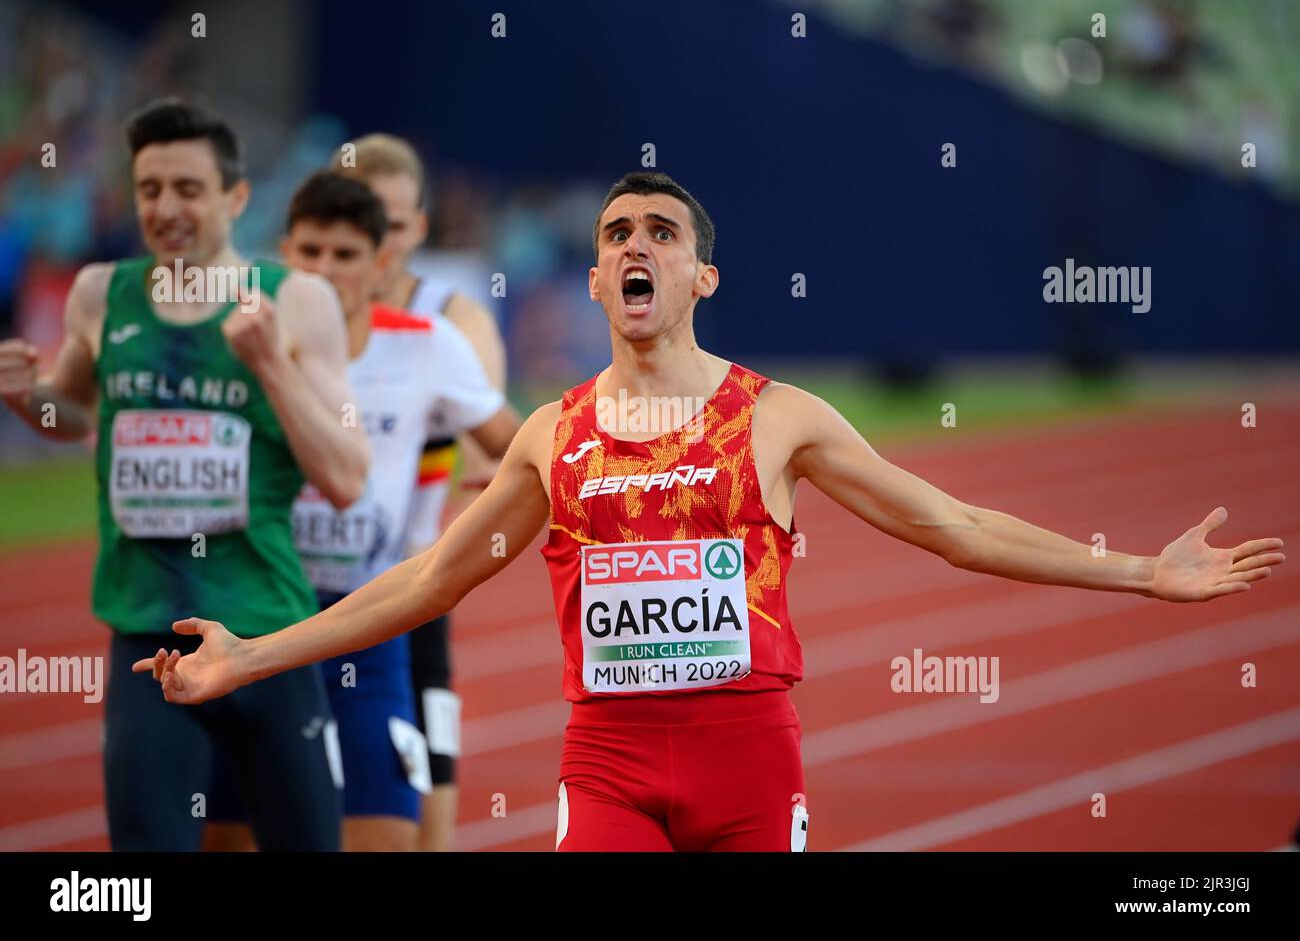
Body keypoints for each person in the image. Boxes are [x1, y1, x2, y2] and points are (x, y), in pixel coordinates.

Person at [133, 171, 1285, 852]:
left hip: (748, 755)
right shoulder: (551, 433)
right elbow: (426, 581)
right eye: (613, 237)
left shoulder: (779, 417)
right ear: (594, 282)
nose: (633, 246)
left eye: (660, 235)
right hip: (612, 762)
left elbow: (955, 525)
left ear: (700, 278)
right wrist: (248, 657)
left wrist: (1140, 570)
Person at [0, 98, 370, 850]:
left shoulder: (297, 302)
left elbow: (346, 476)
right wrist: (24, 400)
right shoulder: (100, 294)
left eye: (188, 189)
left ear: (236, 197)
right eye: (149, 189)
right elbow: (72, 416)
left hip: (268, 632)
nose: (165, 208)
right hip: (147, 639)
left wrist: (269, 364)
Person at [204, 171, 518, 851]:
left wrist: (504, 476)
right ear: (285, 253)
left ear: (381, 265)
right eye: (310, 252)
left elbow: (521, 445)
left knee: (385, 838)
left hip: (368, 630)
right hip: (256, 620)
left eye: (344, 255)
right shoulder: (236, 345)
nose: (323, 270)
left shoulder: (426, 344)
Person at [335, 133, 507, 850]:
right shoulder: (298, 312)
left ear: (419, 228)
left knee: (427, 802)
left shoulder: (449, 317)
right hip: (292, 592)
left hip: (412, 600)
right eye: (366, 217)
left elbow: (490, 413)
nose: (383, 239)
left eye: (397, 223)